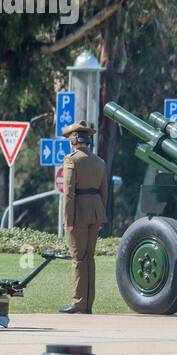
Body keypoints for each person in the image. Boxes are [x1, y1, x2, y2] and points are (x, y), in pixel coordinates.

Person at [60, 121, 108, 314]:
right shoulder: (99, 161)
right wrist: (100, 215)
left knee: (78, 258)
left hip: (78, 214)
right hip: (95, 212)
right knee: (89, 258)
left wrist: (68, 221)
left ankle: (78, 302)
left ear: (73, 140)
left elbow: (69, 193)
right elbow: (104, 192)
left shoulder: (72, 160)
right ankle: (88, 304)